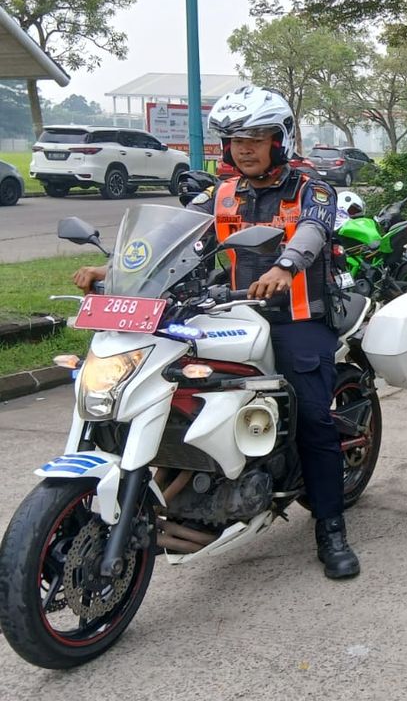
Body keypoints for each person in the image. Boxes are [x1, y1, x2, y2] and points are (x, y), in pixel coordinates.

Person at [73, 85, 361, 580]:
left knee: (314, 421)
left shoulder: (310, 189)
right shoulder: (220, 194)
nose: (244, 150)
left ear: (279, 140)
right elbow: (171, 236)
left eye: (255, 139)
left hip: (296, 318)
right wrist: (116, 267)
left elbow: (313, 231)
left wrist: (285, 266)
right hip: (229, 314)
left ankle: (330, 529)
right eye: (235, 141)